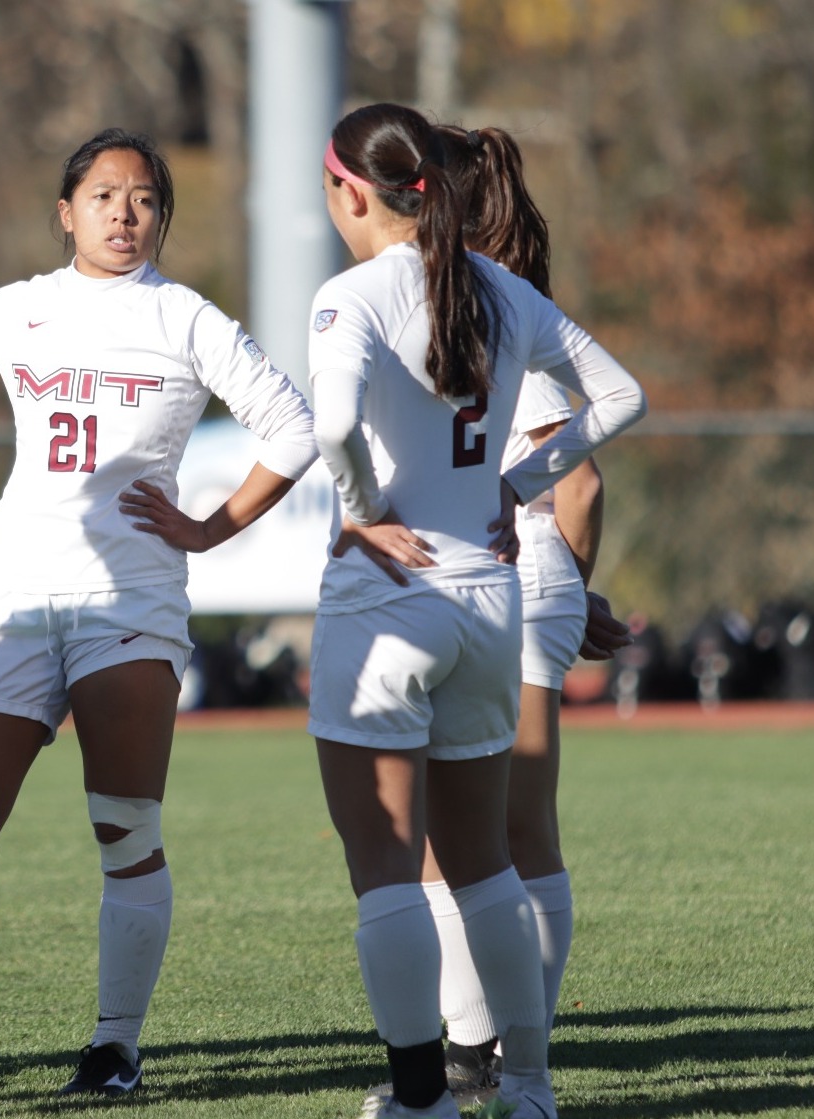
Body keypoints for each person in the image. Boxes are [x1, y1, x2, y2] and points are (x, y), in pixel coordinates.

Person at [0, 128, 318, 1099]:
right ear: (65, 211)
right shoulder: (21, 309)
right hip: (12, 593)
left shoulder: (188, 319)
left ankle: (115, 1045)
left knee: (123, 826)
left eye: (143, 199)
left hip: (131, 599)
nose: (124, 213)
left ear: (163, 216)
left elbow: (294, 425)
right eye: (103, 196)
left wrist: (213, 529)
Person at [304, 103, 645, 1119]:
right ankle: (529, 1091)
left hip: (389, 601)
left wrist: (366, 515)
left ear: (348, 192)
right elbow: (620, 396)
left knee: (388, 870)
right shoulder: (501, 287)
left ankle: (421, 1100)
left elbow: (330, 427)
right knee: (486, 865)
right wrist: (520, 480)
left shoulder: (351, 294)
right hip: (491, 601)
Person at [413, 124, 632, 1104]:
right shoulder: (498, 299)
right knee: (503, 828)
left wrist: (560, 585)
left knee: (485, 830)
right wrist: (570, 593)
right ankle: (493, 1054)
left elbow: (575, 482)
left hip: (499, 568)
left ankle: (488, 1056)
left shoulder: (491, 306)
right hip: (519, 575)